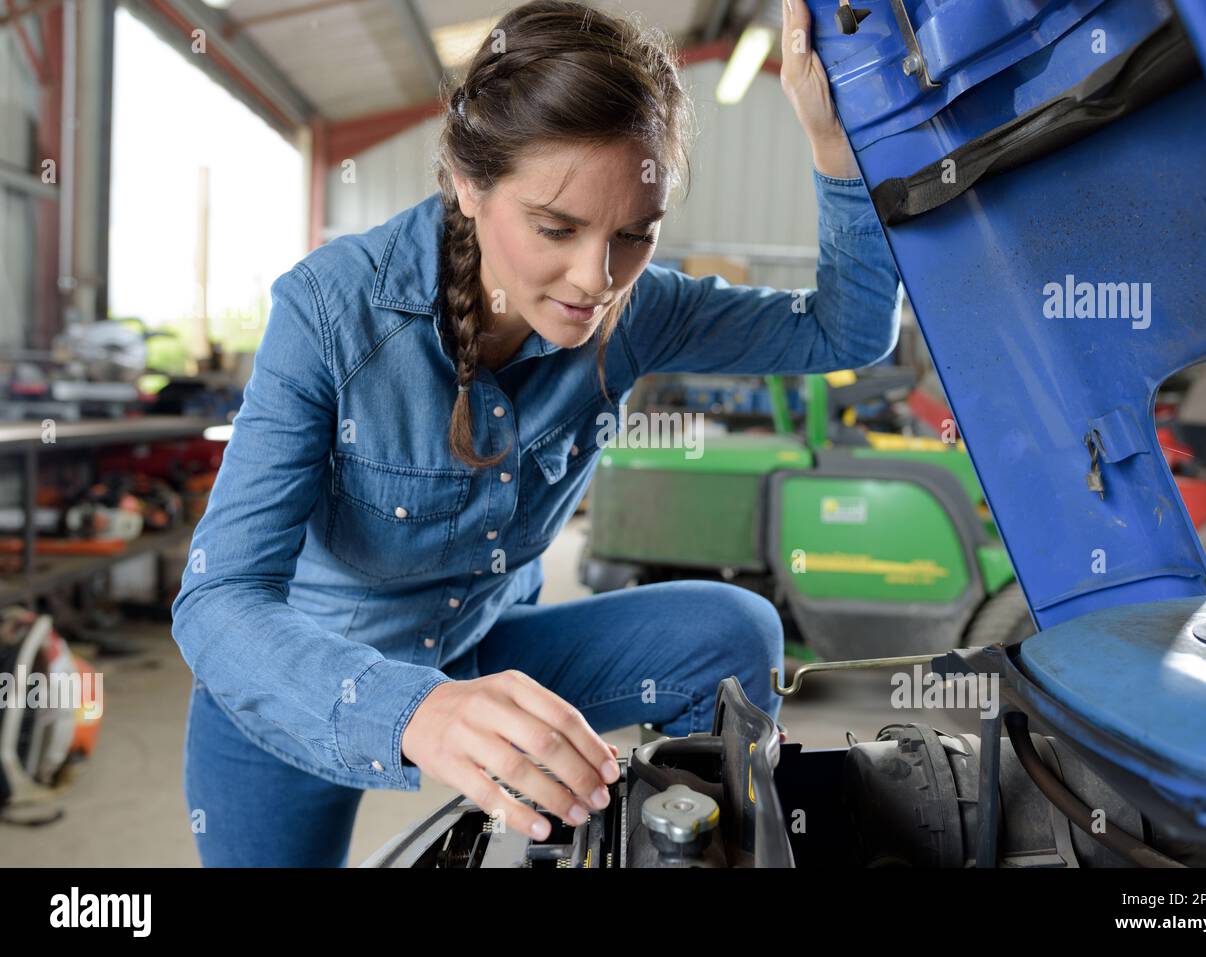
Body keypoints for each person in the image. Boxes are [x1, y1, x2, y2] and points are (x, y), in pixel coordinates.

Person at [173, 0, 901, 867]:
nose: (596, 279)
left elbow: (845, 332)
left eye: (634, 234)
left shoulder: (639, 309)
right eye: (556, 228)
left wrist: (839, 150)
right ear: (467, 182)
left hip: (482, 651)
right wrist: (411, 711)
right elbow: (218, 601)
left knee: (735, 632)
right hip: (296, 681)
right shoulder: (332, 311)